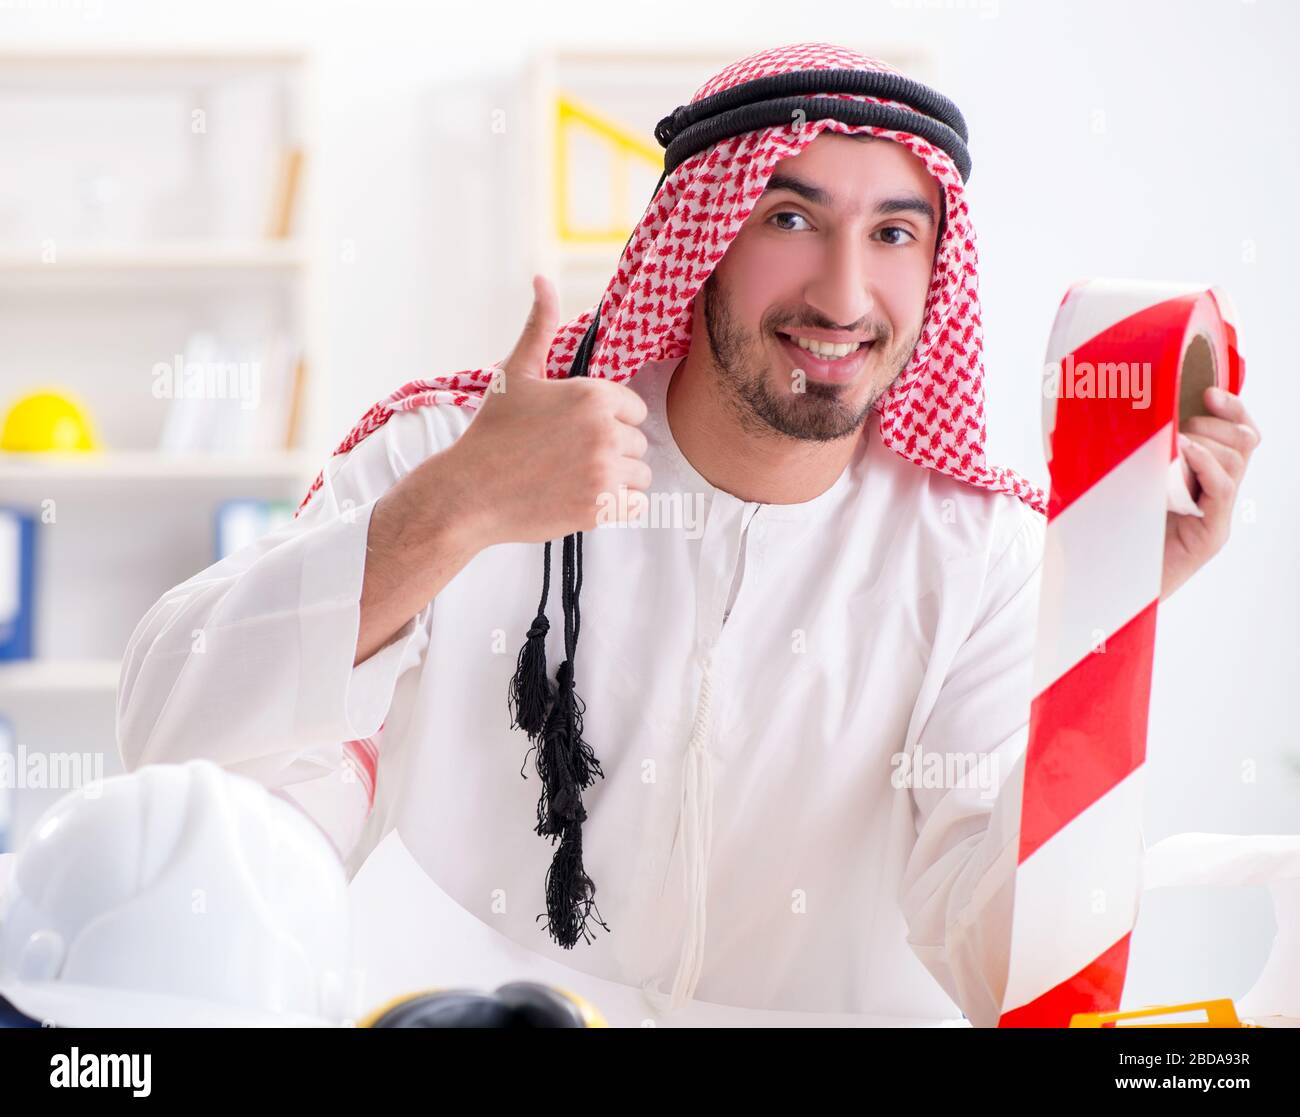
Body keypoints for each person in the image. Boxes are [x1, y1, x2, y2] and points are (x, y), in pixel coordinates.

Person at [116, 43, 1260, 1026]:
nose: (845, 293)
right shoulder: (460, 452)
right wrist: (458, 507)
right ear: (703, 231)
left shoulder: (980, 556)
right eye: (791, 217)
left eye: (896, 233)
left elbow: (1014, 976)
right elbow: (177, 740)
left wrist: (1105, 626)